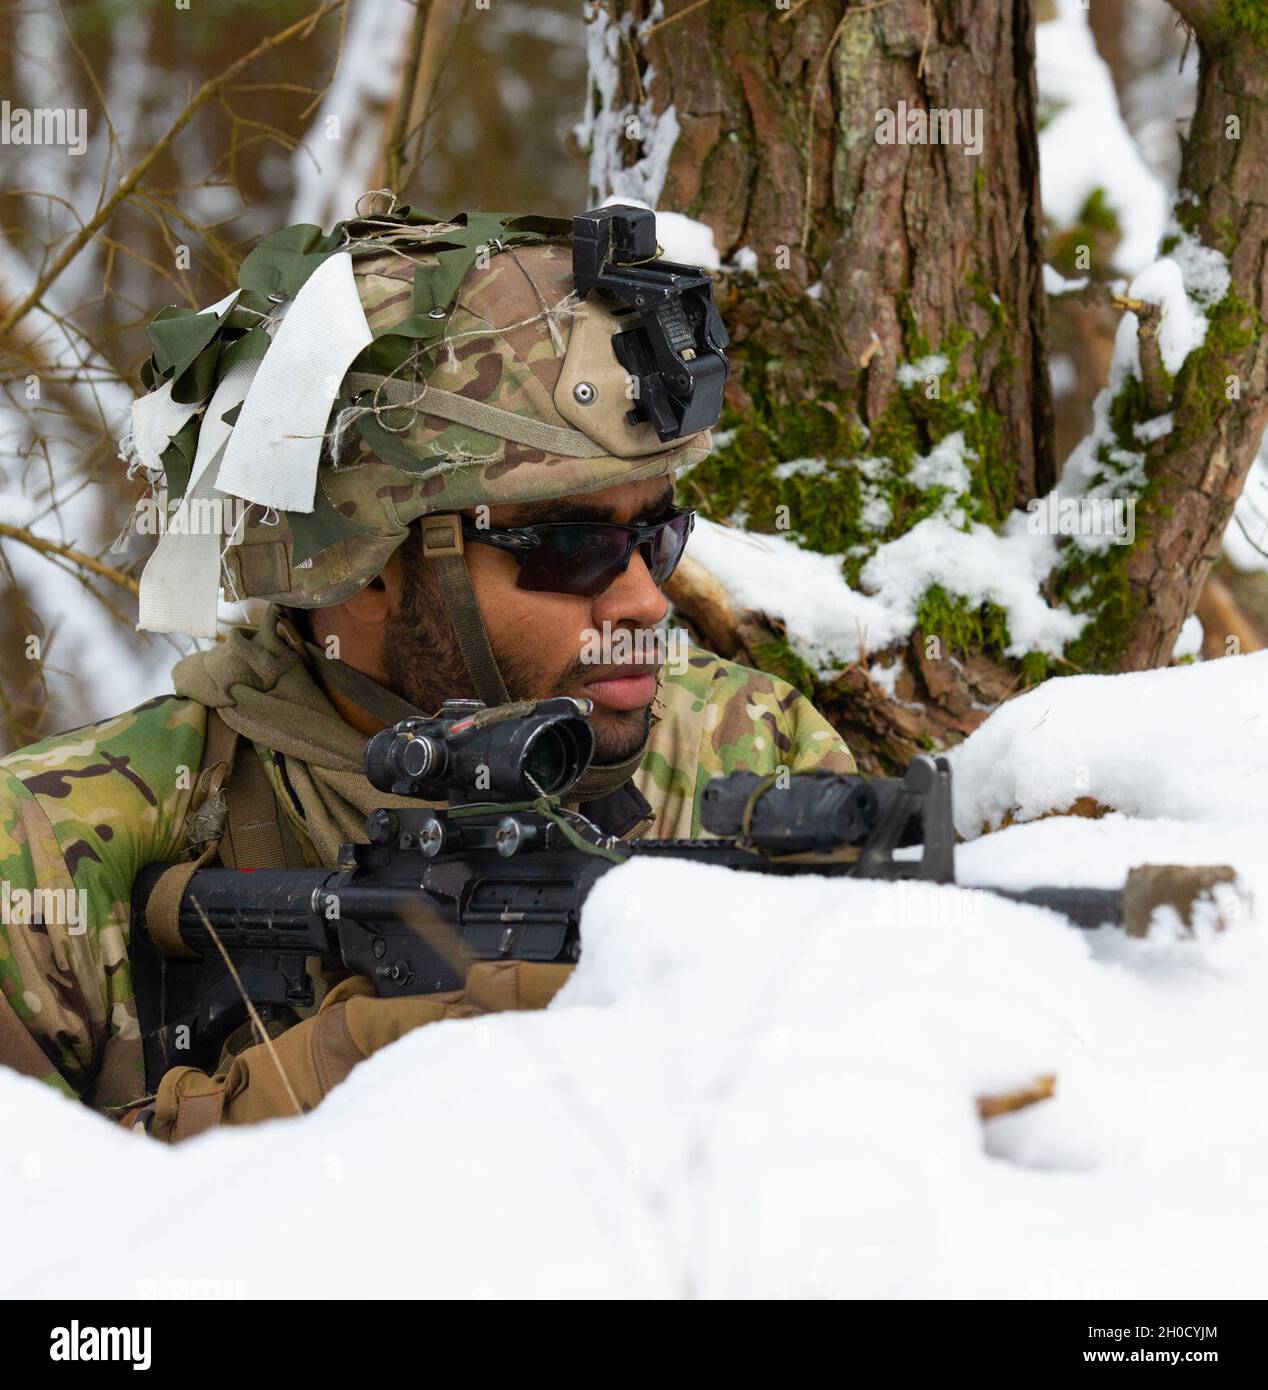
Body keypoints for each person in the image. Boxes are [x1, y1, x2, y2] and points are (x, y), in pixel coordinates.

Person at [0, 203, 855, 1140]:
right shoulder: (48, 855)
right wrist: (279, 1104)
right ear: (362, 573)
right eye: (570, 546)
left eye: (657, 534)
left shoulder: (749, 759)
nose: (646, 603)